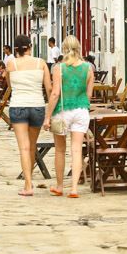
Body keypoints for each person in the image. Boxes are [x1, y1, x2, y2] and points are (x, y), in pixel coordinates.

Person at [43, 35, 93, 198]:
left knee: (60, 150)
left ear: (63, 49)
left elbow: (55, 93)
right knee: (77, 150)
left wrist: (47, 116)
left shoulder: (59, 68)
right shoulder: (88, 68)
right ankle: (74, 189)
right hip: (81, 111)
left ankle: (59, 186)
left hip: (63, 112)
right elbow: (89, 95)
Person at [5, 34, 51, 196]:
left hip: (18, 106)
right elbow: (49, 89)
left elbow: (9, 85)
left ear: (15, 49)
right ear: (30, 47)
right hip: (37, 106)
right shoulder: (41, 63)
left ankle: (28, 185)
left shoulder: (11, 64)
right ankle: (29, 181)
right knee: (32, 146)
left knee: (23, 147)